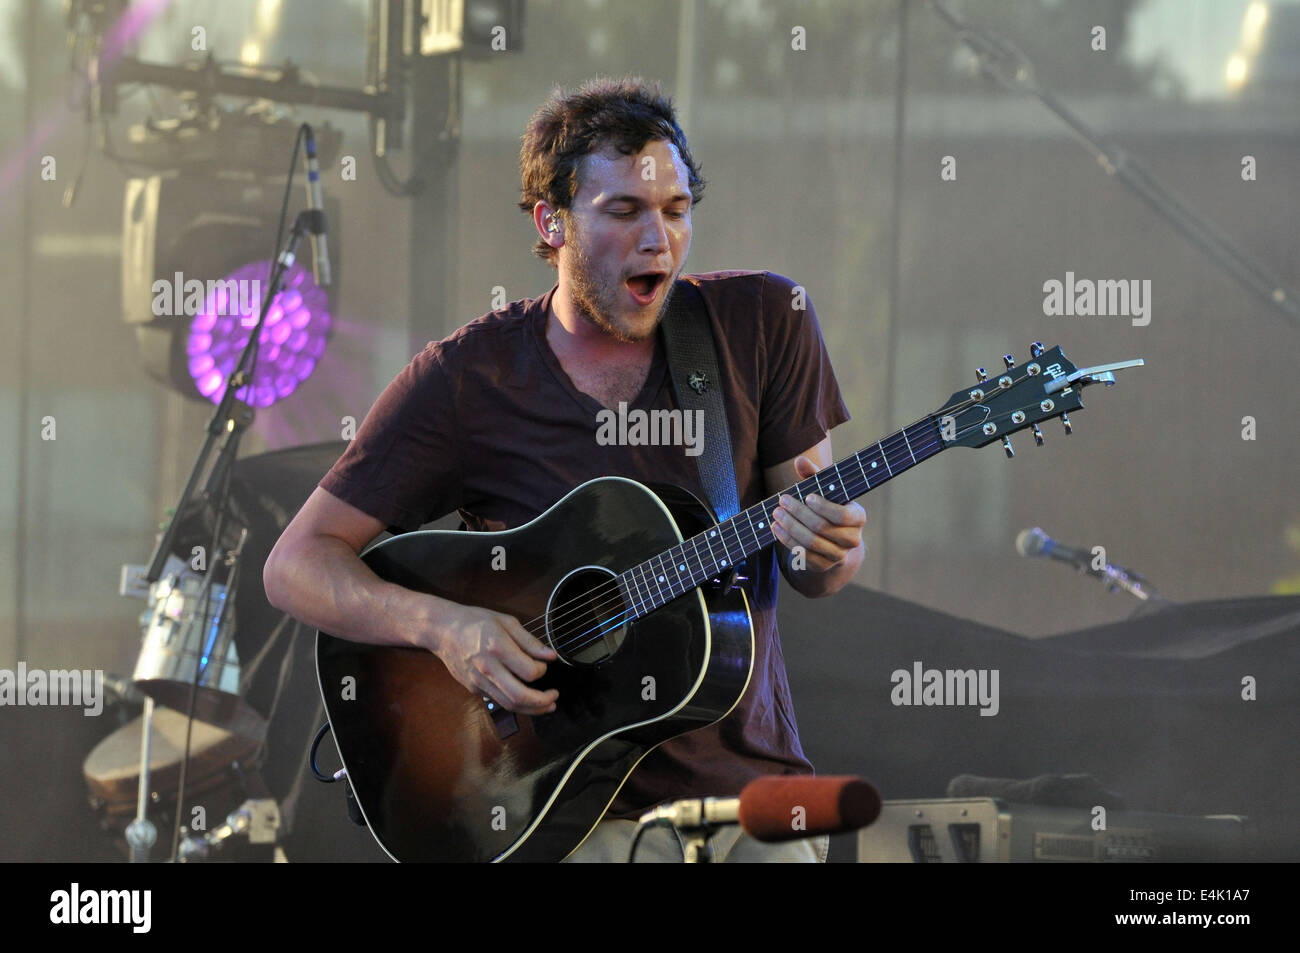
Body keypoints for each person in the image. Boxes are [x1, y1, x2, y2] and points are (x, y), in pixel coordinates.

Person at [263, 76, 866, 862]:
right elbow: (295, 565)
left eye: (677, 211)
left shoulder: (763, 325)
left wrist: (833, 546)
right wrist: (444, 626)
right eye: (625, 212)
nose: (660, 241)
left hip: (743, 800)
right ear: (553, 223)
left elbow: (816, 566)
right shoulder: (466, 377)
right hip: (551, 820)